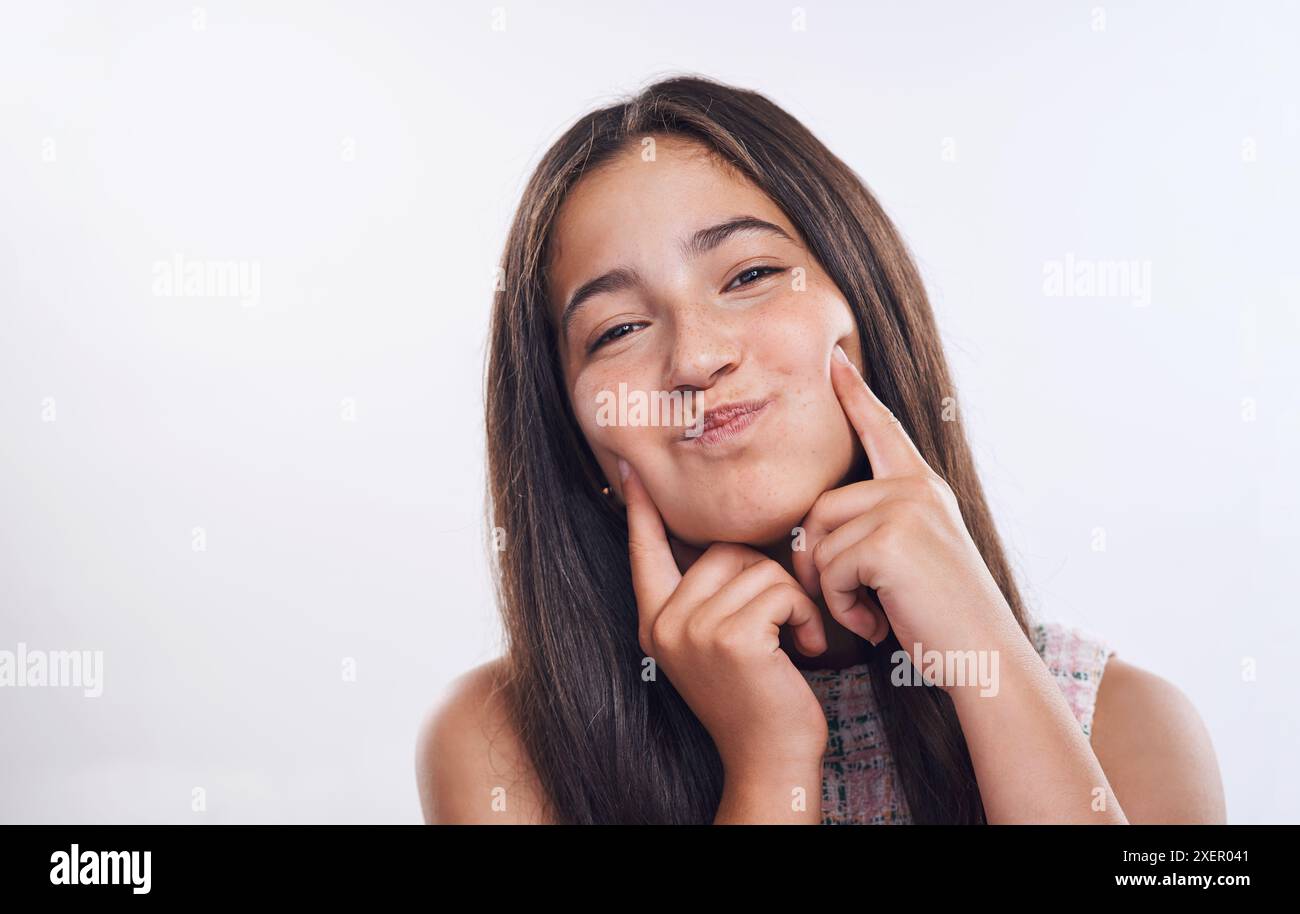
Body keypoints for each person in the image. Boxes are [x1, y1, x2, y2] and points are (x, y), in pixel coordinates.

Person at [416, 75, 1225, 824]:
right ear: (574, 439)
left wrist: (984, 649)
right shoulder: (501, 744)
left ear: (864, 311)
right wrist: (769, 767)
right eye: (620, 329)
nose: (697, 359)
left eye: (751, 274)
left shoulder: (1125, 722)